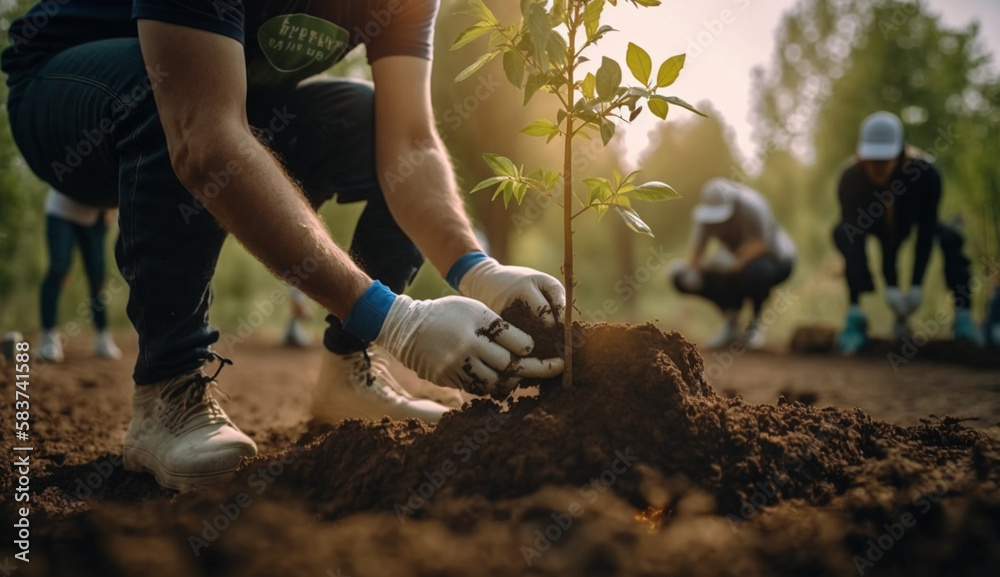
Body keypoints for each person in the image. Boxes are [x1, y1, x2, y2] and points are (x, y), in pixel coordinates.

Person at [2, 0, 566, 491]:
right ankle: (166, 388)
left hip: (236, 101)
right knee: (163, 90)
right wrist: (397, 320)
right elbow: (203, 134)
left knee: (370, 121)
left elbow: (411, 145)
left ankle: (348, 373)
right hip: (71, 100)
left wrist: (477, 269)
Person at [833, 111, 981, 354]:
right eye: (872, 159)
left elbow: (926, 231)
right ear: (861, 157)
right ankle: (855, 313)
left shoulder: (926, 176)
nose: (878, 166)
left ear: (901, 155)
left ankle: (963, 316)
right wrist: (888, 287)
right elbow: (854, 239)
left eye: (885, 158)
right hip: (871, 228)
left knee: (950, 236)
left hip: (909, 223)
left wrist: (915, 286)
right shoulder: (850, 180)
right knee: (843, 234)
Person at [671, 178, 796, 350]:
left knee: (756, 272)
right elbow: (696, 254)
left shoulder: (753, 205)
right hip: (738, 264)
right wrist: (693, 271)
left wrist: (735, 263)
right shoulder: (705, 217)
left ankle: (755, 324)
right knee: (682, 277)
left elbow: (763, 244)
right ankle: (730, 320)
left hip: (776, 260)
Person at [37, 187, 122, 362]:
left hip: (95, 217)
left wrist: (111, 205)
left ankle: (102, 335)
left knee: (97, 278)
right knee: (58, 269)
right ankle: (48, 336)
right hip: (61, 212)